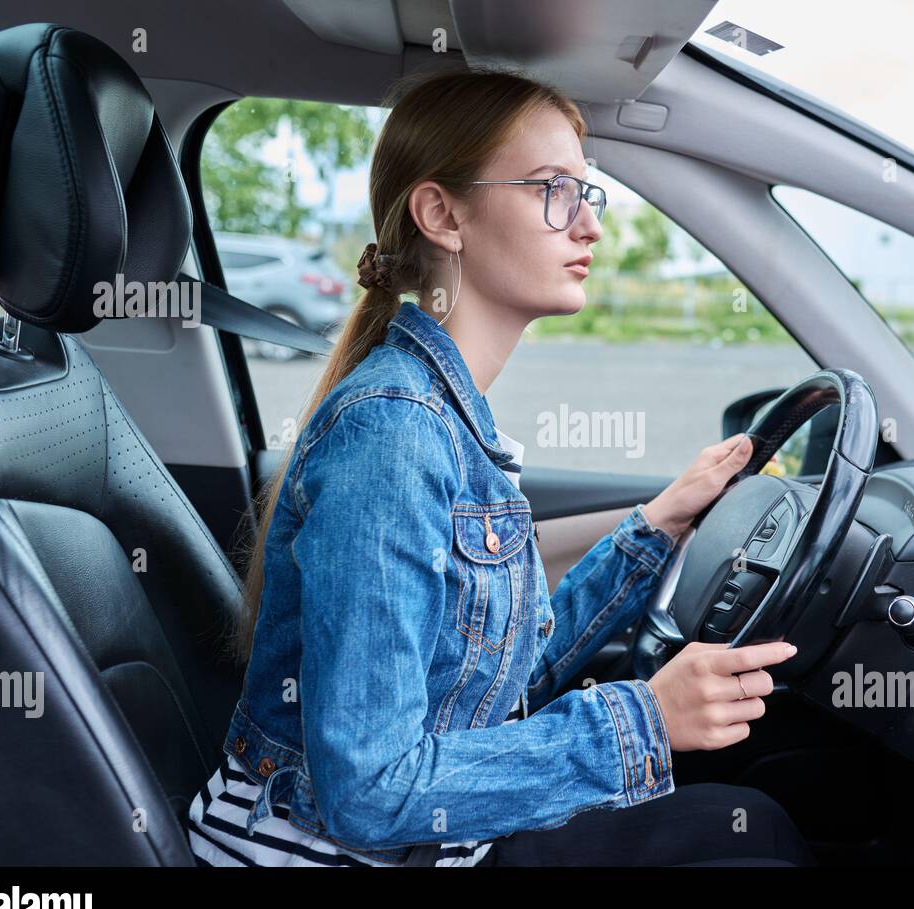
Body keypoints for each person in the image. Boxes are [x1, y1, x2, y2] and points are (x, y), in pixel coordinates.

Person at [187, 66, 810, 867]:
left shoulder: (445, 420)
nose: (589, 227)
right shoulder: (395, 435)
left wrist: (659, 524)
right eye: (555, 189)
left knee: (747, 825)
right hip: (328, 857)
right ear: (442, 214)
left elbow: (489, 693)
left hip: (430, 844)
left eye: (590, 195)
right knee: (748, 840)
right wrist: (644, 719)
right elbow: (370, 791)